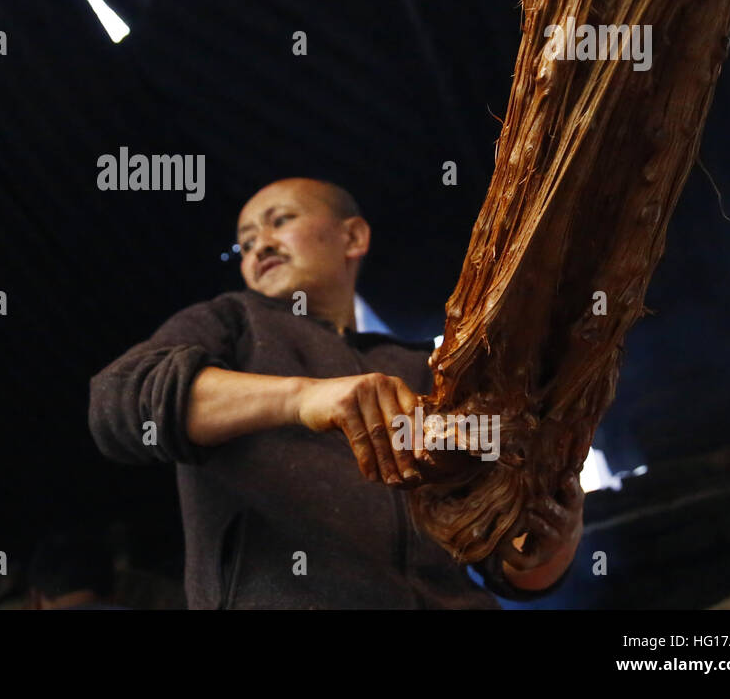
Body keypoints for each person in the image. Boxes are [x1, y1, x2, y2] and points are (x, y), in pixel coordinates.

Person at [88, 177, 583, 608]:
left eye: (279, 221)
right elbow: (121, 401)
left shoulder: (422, 367)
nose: (259, 246)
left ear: (353, 236)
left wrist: (554, 538)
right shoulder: (229, 321)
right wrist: (303, 399)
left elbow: (512, 566)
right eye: (245, 241)